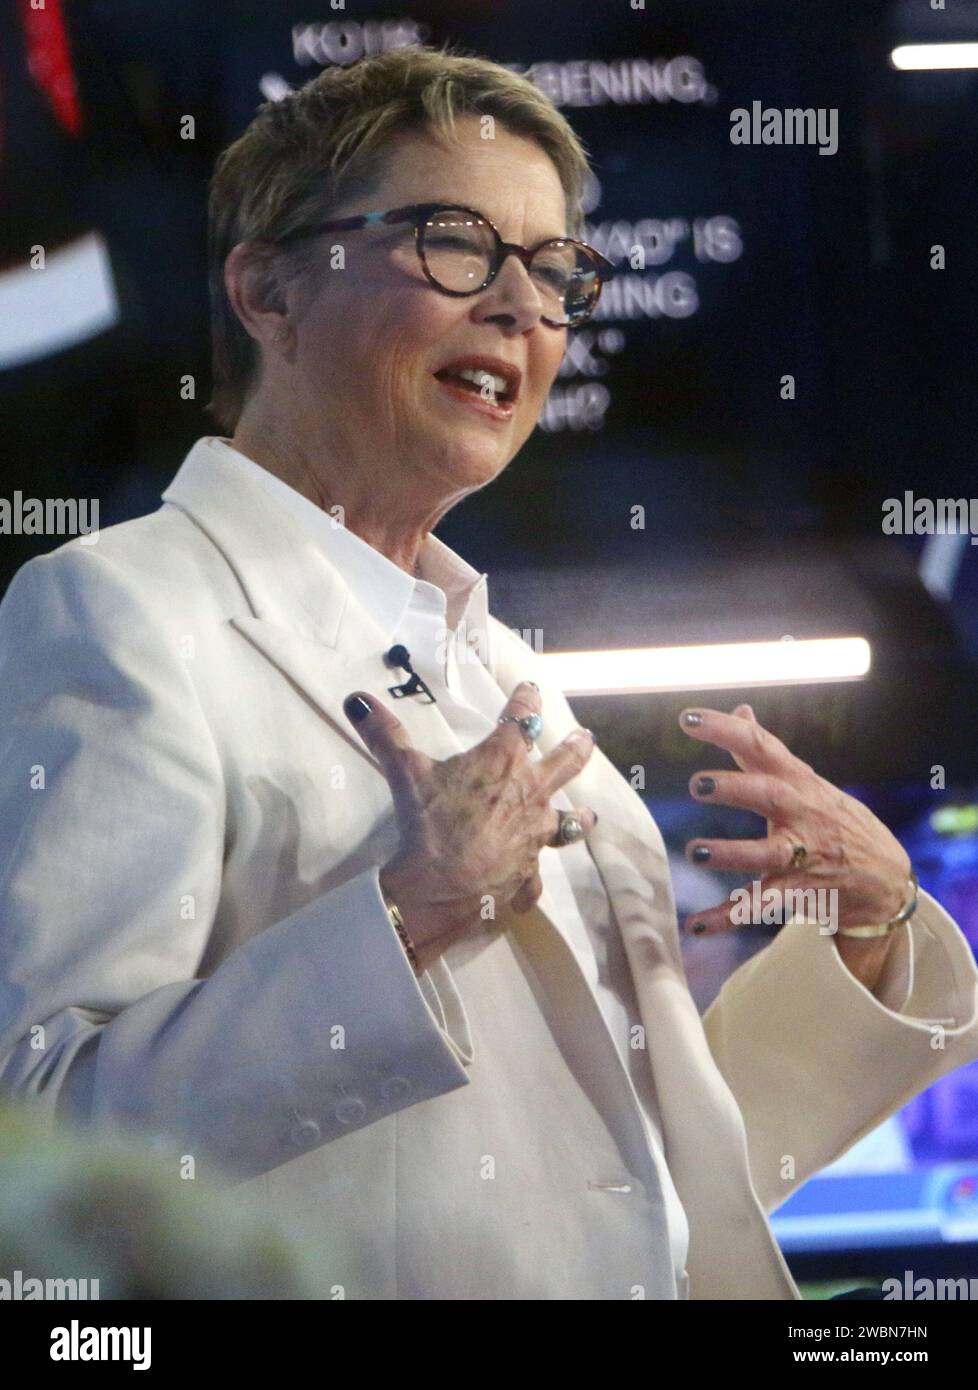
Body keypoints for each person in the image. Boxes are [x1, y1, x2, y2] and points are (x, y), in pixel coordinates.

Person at [1, 45, 976, 1302]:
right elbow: (47, 1143)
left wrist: (865, 939)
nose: (522, 305)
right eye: (453, 242)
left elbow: (625, 1186)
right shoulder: (120, 609)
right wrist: (408, 917)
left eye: (555, 267)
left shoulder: (496, 661)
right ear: (268, 292)